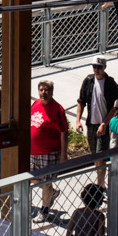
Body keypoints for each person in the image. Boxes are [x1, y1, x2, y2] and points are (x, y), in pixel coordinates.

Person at [30, 79, 68, 212]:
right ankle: (51, 192)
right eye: (41, 90)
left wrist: (64, 154)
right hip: (33, 152)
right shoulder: (35, 103)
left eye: (46, 90)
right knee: (33, 179)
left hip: (49, 152)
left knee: (46, 182)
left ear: (51, 92)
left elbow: (64, 132)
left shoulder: (58, 110)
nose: (43, 93)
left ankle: (44, 210)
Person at [75, 57, 118, 159]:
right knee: (94, 155)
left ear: (104, 67)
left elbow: (115, 107)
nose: (97, 69)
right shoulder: (88, 81)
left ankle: (100, 175)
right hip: (91, 125)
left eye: (99, 67)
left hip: (104, 126)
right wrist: (78, 120)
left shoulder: (111, 84)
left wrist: (104, 124)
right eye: (94, 66)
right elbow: (81, 102)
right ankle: (99, 174)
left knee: (101, 155)